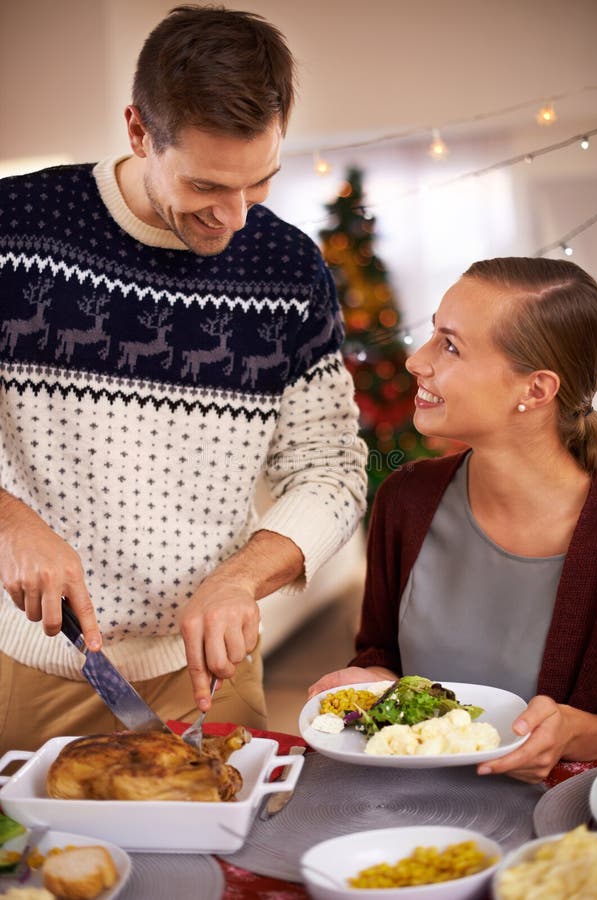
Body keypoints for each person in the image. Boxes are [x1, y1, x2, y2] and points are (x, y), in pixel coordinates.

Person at [0, 4, 367, 753]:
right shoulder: (16, 225)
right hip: (27, 669)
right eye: (205, 186)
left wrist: (242, 579)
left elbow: (330, 469)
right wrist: (9, 521)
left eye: (258, 183)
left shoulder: (289, 268)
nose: (234, 219)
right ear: (139, 131)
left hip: (210, 674)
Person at [310, 256, 597, 783]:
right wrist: (370, 680)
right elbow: (381, 654)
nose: (415, 361)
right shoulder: (406, 498)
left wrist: (575, 732)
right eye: (432, 335)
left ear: (535, 390)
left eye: (450, 346)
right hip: (409, 805)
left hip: (565, 822)